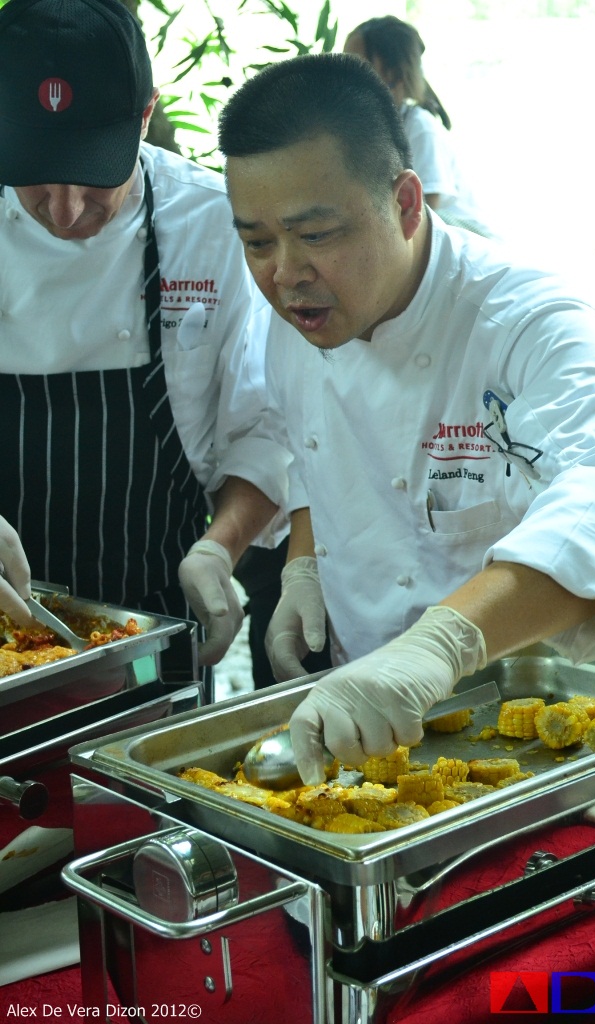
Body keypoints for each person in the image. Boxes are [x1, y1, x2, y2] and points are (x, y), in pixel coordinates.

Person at [217, 52, 595, 786]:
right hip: (372, 729)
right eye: (257, 241)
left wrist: (439, 646)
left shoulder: (528, 319)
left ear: (403, 201)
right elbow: (313, 448)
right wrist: (303, 562)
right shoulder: (297, 320)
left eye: (317, 234)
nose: (285, 272)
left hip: (550, 743)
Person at [0, 0, 292, 688]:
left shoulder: (214, 223)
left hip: (156, 623)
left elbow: (268, 425)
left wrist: (219, 552)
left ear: (144, 115)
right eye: (35, 172)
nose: (65, 209)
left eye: (94, 173)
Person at [343, 14, 493, 238]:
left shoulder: (419, 128)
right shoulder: (370, 128)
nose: (346, 76)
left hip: (459, 237)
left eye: (358, 65)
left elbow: (425, 210)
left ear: (393, 73)